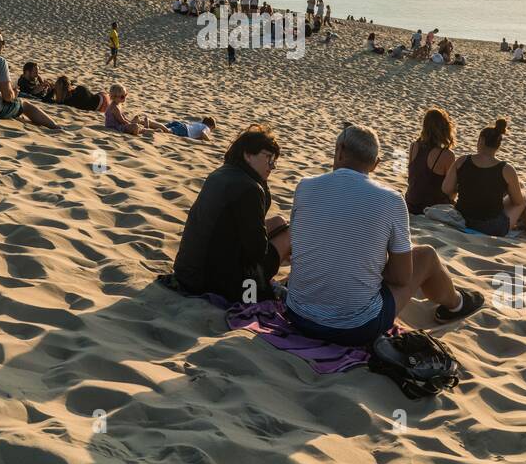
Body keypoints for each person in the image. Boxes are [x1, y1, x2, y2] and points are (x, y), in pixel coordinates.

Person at [285, 124, 482, 346]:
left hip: (298, 316)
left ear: (339, 149)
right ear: (376, 165)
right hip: (355, 328)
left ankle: (454, 300)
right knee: (426, 256)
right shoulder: (390, 200)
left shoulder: (305, 186)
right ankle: (456, 303)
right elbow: (401, 277)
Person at [172, 125, 290, 302]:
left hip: (187, 272)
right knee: (290, 234)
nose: (272, 166)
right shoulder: (250, 189)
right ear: (247, 155)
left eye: (274, 160)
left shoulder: (221, 174)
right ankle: (284, 288)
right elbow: (256, 251)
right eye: (268, 158)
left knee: (279, 222)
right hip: (216, 283)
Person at [442, 119, 526, 239]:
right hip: (491, 227)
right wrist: (521, 190)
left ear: (481, 140)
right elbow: (518, 201)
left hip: (463, 219)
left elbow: (446, 189)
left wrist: (466, 186)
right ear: (498, 145)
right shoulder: (506, 169)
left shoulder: (462, 161)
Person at [403, 108, 456, 215]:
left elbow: (413, 177)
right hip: (431, 208)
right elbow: (449, 190)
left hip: (411, 203)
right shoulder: (446, 155)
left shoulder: (414, 146)